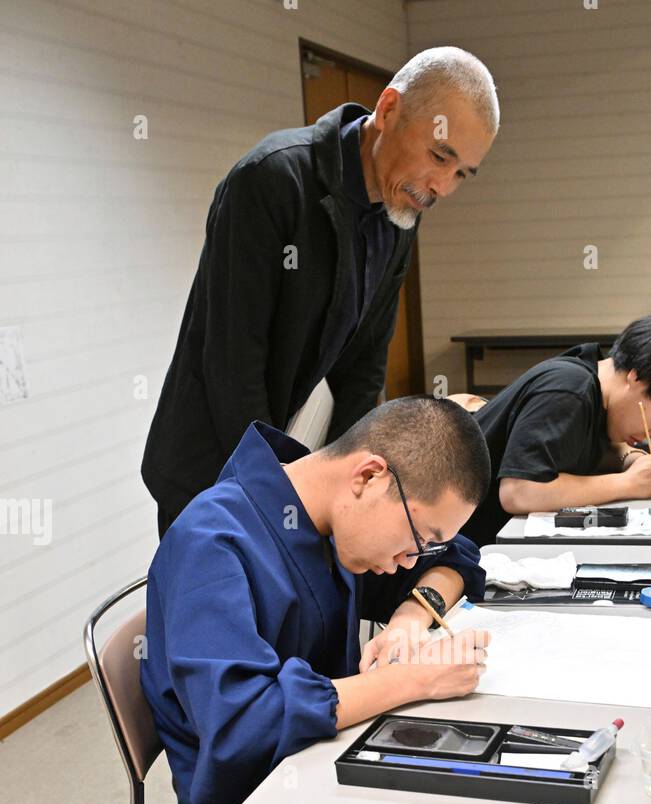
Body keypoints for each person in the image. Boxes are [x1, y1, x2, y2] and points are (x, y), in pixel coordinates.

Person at [140, 47, 499, 537]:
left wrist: (339, 485)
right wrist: (278, 491)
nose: (443, 186)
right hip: (210, 468)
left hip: (293, 467)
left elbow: (363, 369)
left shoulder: (398, 215)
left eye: (462, 174)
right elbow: (233, 362)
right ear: (389, 109)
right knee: (215, 608)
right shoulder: (273, 180)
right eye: (440, 156)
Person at [141, 397, 492, 804]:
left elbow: (457, 560)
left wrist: (409, 618)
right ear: (367, 476)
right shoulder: (211, 543)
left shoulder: (328, 515)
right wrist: (416, 680)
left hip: (336, 753)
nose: (410, 557)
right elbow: (245, 725)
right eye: (417, 536)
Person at [452, 312, 651, 546]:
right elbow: (519, 491)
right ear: (637, 377)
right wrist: (630, 483)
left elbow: (581, 445)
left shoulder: (594, 383)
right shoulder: (569, 389)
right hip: (456, 549)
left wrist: (630, 458)